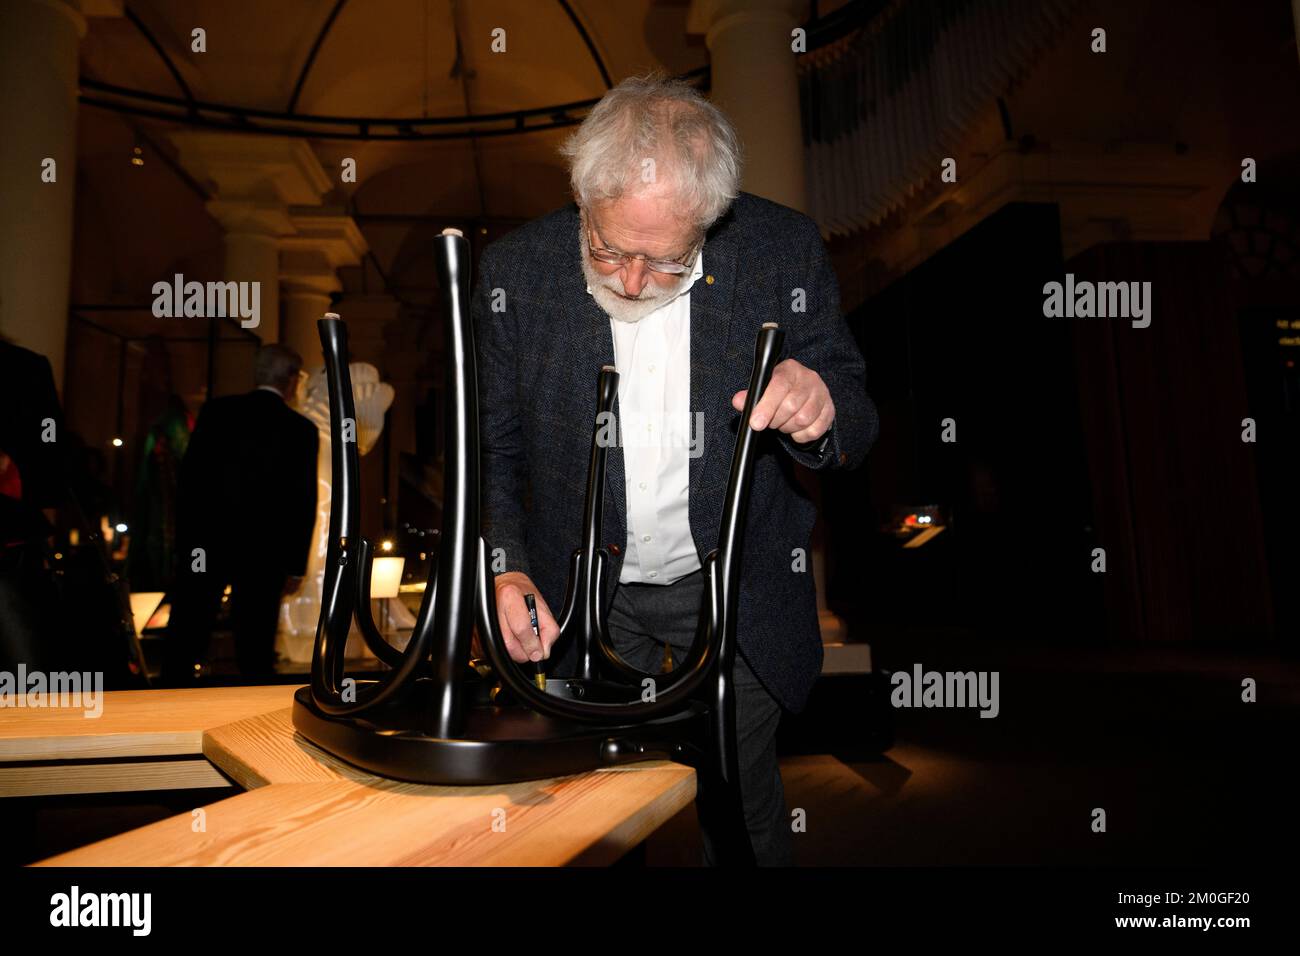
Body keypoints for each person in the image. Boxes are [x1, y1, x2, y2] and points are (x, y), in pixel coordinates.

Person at [474, 74, 879, 865]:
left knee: (737, 806)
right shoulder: (513, 276)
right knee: (578, 818)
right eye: (609, 249)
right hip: (580, 590)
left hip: (734, 586)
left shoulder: (779, 249)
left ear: (710, 220)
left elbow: (857, 415)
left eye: (665, 262)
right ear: (582, 197)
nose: (629, 283)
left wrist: (819, 401)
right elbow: (495, 450)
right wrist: (507, 567)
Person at [163, 344, 318, 682]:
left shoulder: (217, 413)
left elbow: (190, 481)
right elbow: (302, 501)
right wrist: (295, 564)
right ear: (291, 380)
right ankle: (252, 717)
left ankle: (165, 704)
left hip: (207, 543)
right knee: (256, 644)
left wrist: (186, 544)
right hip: (265, 552)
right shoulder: (300, 430)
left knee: (188, 633)